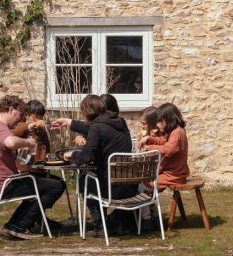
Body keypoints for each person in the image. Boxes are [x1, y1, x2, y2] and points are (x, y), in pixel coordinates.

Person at [0, 94, 65, 240]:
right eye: (20, 115)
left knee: (40, 184)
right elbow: (11, 143)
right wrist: (28, 143)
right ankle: (20, 225)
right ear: (11, 110)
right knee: (55, 186)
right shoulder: (0, 128)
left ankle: (17, 223)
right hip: (2, 186)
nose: (20, 118)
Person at [61, 93, 136, 236]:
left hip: (110, 188)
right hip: (129, 186)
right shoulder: (120, 122)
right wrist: (70, 122)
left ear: (86, 112)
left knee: (84, 179)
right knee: (91, 178)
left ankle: (101, 226)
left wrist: (73, 154)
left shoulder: (97, 127)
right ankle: (115, 223)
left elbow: (87, 156)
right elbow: (96, 130)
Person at [139, 102, 189, 189]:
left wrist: (149, 148)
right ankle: (150, 201)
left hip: (175, 175)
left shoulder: (178, 132)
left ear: (168, 119)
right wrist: (149, 139)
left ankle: (150, 201)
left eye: (159, 121)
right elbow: (163, 141)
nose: (157, 125)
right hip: (172, 174)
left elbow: (169, 149)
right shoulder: (175, 131)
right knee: (146, 179)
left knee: (147, 181)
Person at [13, 99, 51, 164]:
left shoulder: (41, 131)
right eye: (35, 117)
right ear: (26, 115)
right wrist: (30, 126)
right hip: (22, 169)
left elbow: (47, 150)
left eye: (41, 117)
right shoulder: (20, 127)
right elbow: (12, 134)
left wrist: (48, 157)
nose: (38, 120)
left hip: (39, 169)